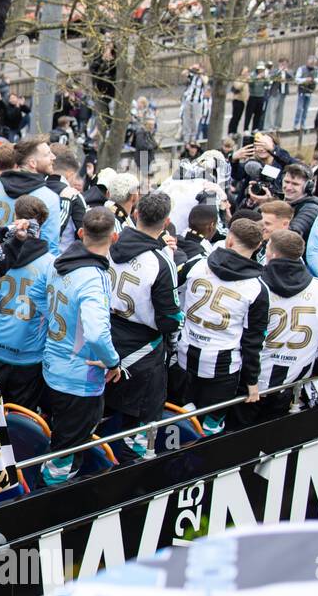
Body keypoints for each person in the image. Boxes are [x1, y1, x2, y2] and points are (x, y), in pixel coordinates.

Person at [40, 208, 121, 485]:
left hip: (52, 366)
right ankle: (47, 503)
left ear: (82, 233)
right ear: (114, 237)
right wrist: (112, 362)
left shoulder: (57, 262)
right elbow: (97, 334)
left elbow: (40, 299)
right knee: (65, 455)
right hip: (78, 379)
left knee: (57, 437)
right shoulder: (93, 278)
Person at [236, 230, 318, 426]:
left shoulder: (253, 284)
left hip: (249, 383)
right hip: (293, 381)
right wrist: (317, 370)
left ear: (271, 253)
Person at [104, 193, 184, 462]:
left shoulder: (110, 243)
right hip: (142, 350)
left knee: (103, 414)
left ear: (135, 213)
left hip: (106, 334)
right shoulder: (162, 262)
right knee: (139, 425)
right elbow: (169, 319)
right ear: (166, 223)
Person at [176, 218, 269, 436]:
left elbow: (168, 294)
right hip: (222, 367)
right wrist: (252, 381)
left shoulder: (195, 264)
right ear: (258, 247)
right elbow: (253, 341)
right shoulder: (257, 288)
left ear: (228, 241)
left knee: (181, 421)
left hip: (184, 355)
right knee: (210, 428)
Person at [0, 197, 54, 410]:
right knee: (20, 420)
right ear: (42, 225)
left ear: (16, 219)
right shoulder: (50, 264)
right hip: (28, 353)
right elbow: (52, 313)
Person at [0, 134, 62, 253]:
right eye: (47, 154)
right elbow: (50, 247)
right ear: (32, 163)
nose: (53, 157)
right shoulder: (50, 198)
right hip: (31, 268)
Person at [280, 163, 318, 243]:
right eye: (286, 182)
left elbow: (291, 235)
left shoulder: (311, 209)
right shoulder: (279, 199)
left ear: (308, 187)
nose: (288, 187)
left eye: (295, 184)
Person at [294, 57, 318, 130]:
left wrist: (313, 80)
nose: (312, 65)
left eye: (313, 64)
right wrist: (305, 80)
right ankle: (296, 124)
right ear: (307, 62)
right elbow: (297, 79)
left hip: (310, 91)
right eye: (311, 63)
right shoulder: (301, 69)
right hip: (302, 90)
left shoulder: (317, 69)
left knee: (306, 109)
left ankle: (303, 124)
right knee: (299, 109)